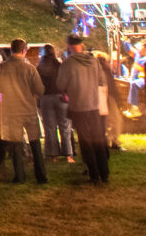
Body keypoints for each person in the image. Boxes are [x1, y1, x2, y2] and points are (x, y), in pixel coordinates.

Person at [56, 35, 108, 185]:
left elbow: (60, 85)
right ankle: (104, 173)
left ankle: (94, 175)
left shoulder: (68, 64)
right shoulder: (94, 61)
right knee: (98, 139)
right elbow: (102, 81)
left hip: (79, 106)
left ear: (69, 46)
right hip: (94, 105)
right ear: (82, 44)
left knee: (86, 142)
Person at [0, 39, 45, 184]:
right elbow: (40, 89)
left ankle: (20, 176)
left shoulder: (2, 68)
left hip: (11, 111)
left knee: (15, 145)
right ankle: (41, 176)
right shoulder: (30, 69)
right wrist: (32, 97)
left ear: (11, 50)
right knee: (35, 144)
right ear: (24, 50)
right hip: (28, 110)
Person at [36, 44, 72, 163]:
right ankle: (68, 154)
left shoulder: (39, 68)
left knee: (50, 127)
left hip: (46, 98)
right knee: (65, 126)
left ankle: (53, 155)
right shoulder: (60, 65)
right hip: (61, 97)